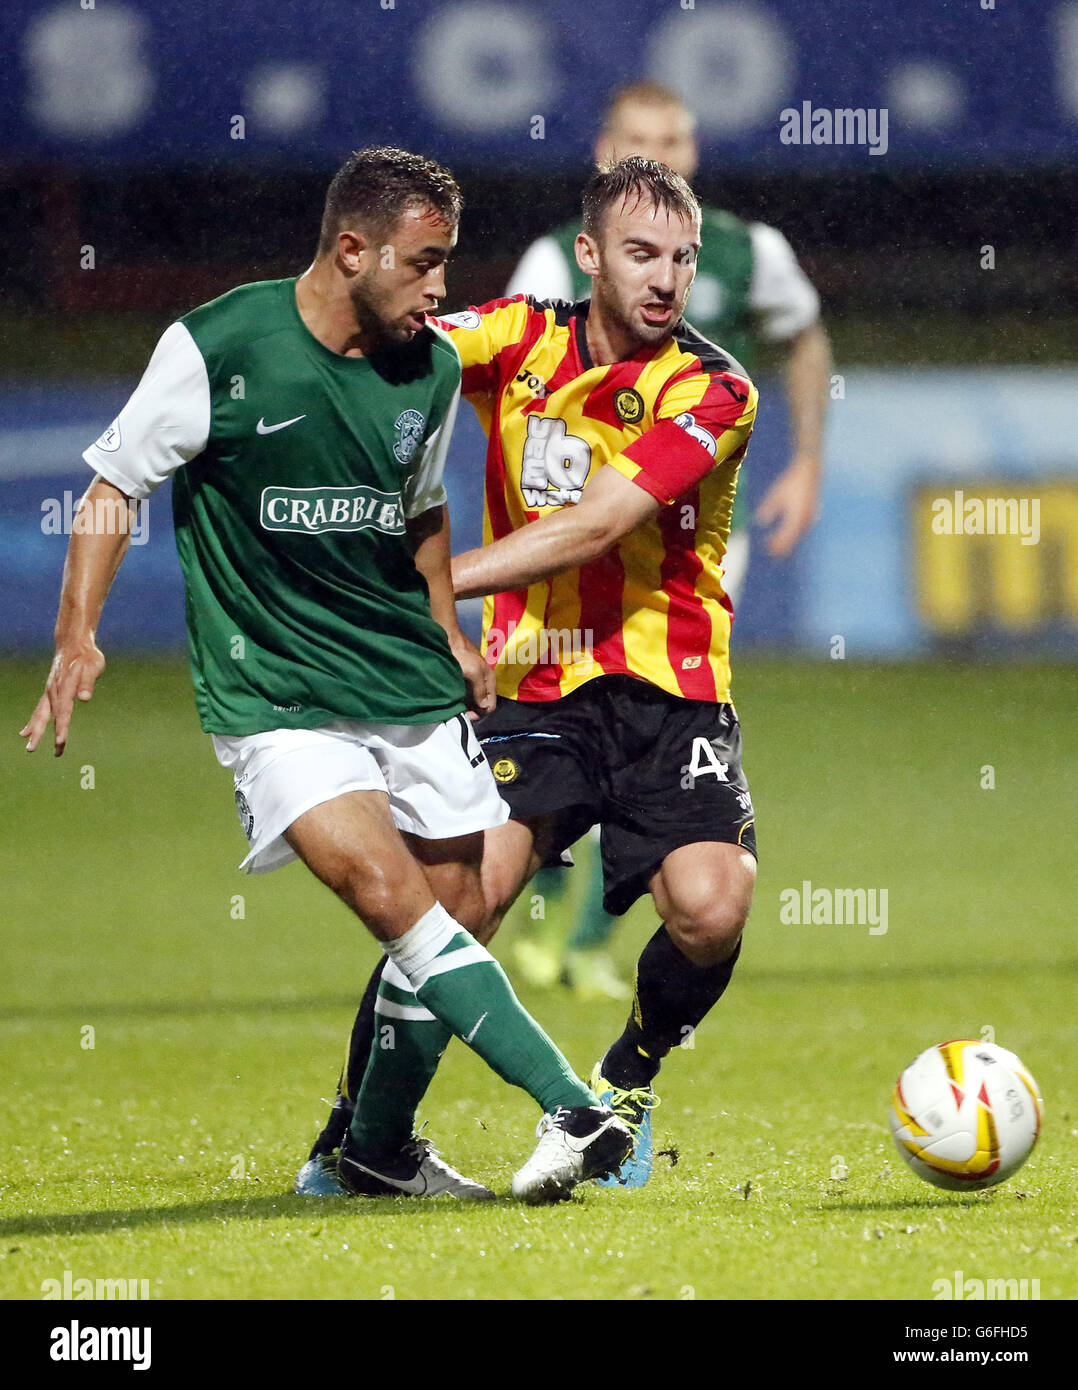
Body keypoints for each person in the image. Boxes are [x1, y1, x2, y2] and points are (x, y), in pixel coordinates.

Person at [19, 145, 632, 1207]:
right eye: (424, 263)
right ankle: (573, 1106)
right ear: (352, 249)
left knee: (458, 909)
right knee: (390, 897)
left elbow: (425, 510)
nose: (442, 290)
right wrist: (78, 633)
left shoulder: (428, 370)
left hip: (402, 676)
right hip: (276, 695)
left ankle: (375, 1154)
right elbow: (114, 483)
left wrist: (448, 631)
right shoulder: (219, 346)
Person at [303, 156, 758, 1195]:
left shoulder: (713, 388)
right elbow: (387, 348)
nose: (666, 279)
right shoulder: (514, 336)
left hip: (668, 687)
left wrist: (426, 584)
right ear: (588, 254)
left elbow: (595, 526)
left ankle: (627, 1077)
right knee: (456, 902)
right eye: (642, 254)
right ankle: (359, 1139)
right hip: (531, 685)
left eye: (682, 260)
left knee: (712, 904)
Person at [505, 79, 831, 997]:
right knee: (559, 729)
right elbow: (503, 384)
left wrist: (807, 461)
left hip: (682, 548)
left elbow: (804, 339)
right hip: (570, 542)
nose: (659, 153)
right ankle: (541, 920)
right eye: (639, 138)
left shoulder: (740, 250)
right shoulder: (549, 264)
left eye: (675, 139)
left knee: (654, 730)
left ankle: (579, 941)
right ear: (604, 149)